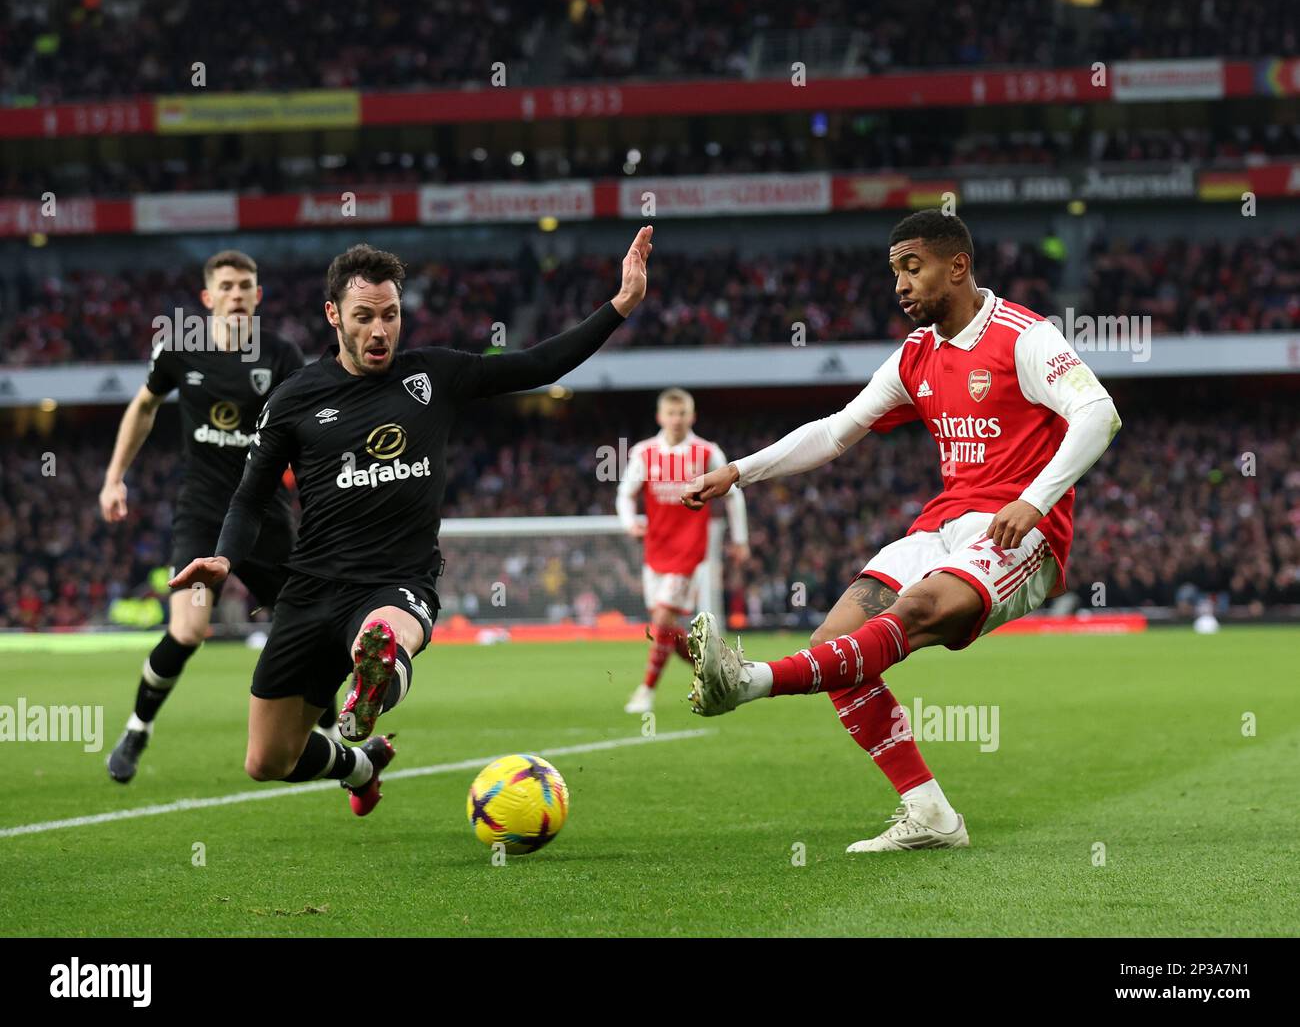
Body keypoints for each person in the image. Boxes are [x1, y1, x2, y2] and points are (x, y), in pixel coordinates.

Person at [169, 226, 653, 816]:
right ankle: (360, 763)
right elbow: (248, 499)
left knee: (384, 636)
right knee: (267, 760)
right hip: (310, 590)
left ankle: (377, 678)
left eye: (392, 315)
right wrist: (224, 556)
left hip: (396, 581)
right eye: (366, 316)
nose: (380, 331)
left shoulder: (434, 376)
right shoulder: (293, 399)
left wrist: (620, 305)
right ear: (333, 315)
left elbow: (536, 364)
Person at [682, 211, 1121, 852]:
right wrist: (738, 472)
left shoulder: (1024, 337)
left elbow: (1098, 412)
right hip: (942, 526)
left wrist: (1034, 498)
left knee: (917, 610)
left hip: (1020, 535)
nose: (901, 285)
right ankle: (932, 816)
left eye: (912, 268)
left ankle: (748, 681)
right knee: (835, 641)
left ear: (958, 265)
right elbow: (836, 431)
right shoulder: (916, 355)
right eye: (895, 272)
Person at [100, 250, 308, 784]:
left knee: (303, 629)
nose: (237, 294)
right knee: (188, 629)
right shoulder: (179, 350)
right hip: (203, 512)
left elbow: (311, 431)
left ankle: (334, 740)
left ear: (258, 296)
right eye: (227, 286)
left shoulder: (281, 355)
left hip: (265, 515)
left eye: (246, 285)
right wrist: (113, 476)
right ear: (208, 297)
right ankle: (138, 726)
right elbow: (144, 406)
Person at [616, 387, 748, 714]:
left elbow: (734, 494)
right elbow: (624, 493)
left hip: (689, 551)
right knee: (665, 630)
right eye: (671, 414)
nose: (676, 420)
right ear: (661, 417)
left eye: (682, 413)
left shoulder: (706, 452)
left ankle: (645, 691)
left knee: (662, 618)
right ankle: (715, 672)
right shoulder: (644, 453)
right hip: (655, 551)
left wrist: (740, 539)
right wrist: (630, 522)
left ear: (692, 416)